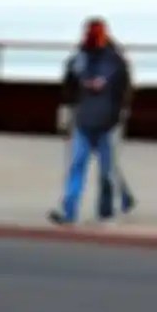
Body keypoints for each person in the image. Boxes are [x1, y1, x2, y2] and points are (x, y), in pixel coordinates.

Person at [48, 17, 135, 225]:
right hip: (84, 121)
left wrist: (119, 115)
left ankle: (107, 210)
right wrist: (67, 110)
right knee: (80, 166)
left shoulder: (115, 60)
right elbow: (68, 86)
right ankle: (70, 212)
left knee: (107, 171)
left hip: (107, 122)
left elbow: (124, 90)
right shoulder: (80, 58)